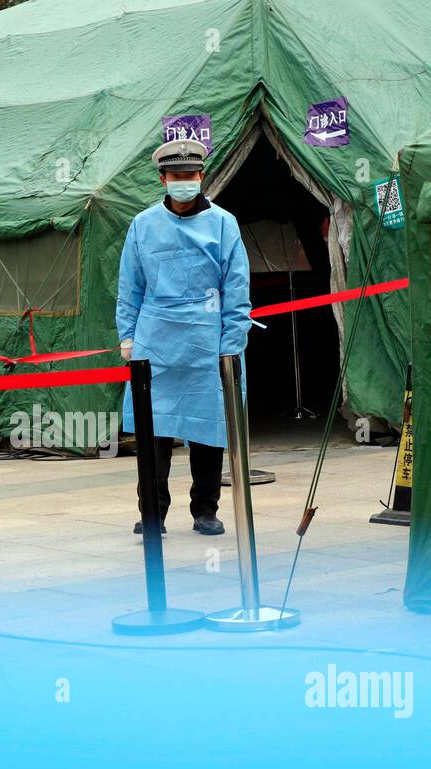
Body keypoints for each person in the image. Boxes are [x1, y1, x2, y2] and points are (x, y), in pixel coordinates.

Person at [116, 138, 253, 536]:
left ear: (202, 176)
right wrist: (127, 336)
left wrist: (231, 345)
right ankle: (153, 514)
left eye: (190, 175)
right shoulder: (142, 226)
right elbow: (130, 288)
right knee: (153, 433)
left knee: (208, 430)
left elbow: (237, 287)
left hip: (207, 343)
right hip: (155, 342)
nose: (184, 182)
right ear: (163, 179)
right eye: (176, 176)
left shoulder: (224, 224)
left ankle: (205, 511)